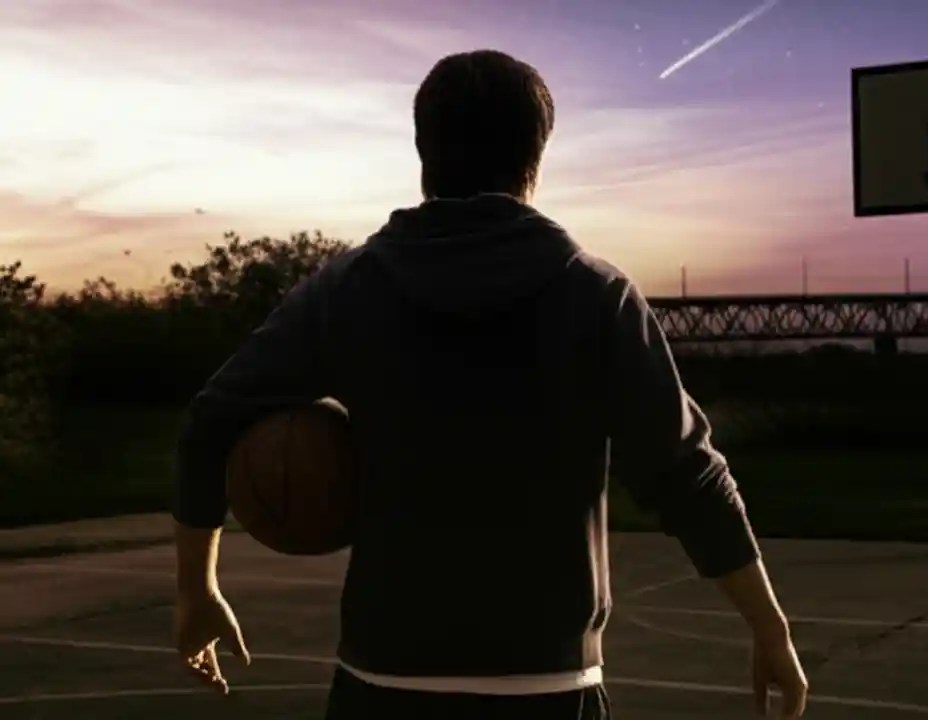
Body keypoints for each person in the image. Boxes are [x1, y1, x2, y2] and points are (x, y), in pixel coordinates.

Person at [171, 49, 808, 719]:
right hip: (550, 686)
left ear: (423, 150)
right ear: (537, 155)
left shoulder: (350, 289)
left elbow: (213, 417)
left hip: (382, 681)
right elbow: (685, 474)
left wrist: (197, 589)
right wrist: (769, 625)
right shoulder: (597, 296)